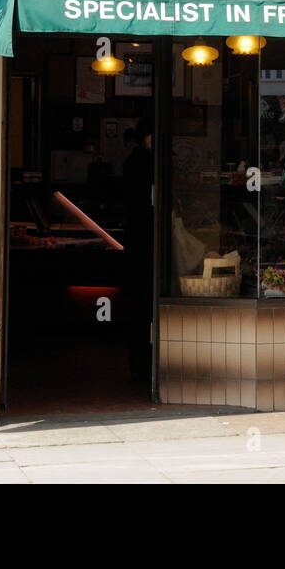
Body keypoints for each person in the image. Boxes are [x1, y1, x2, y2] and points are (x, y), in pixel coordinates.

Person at [122, 118, 154, 383]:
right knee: (144, 304)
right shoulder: (148, 163)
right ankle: (143, 365)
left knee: (138, 304)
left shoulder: (131, 163)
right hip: (146, 243)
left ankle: (139, 366)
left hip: (134, 242)